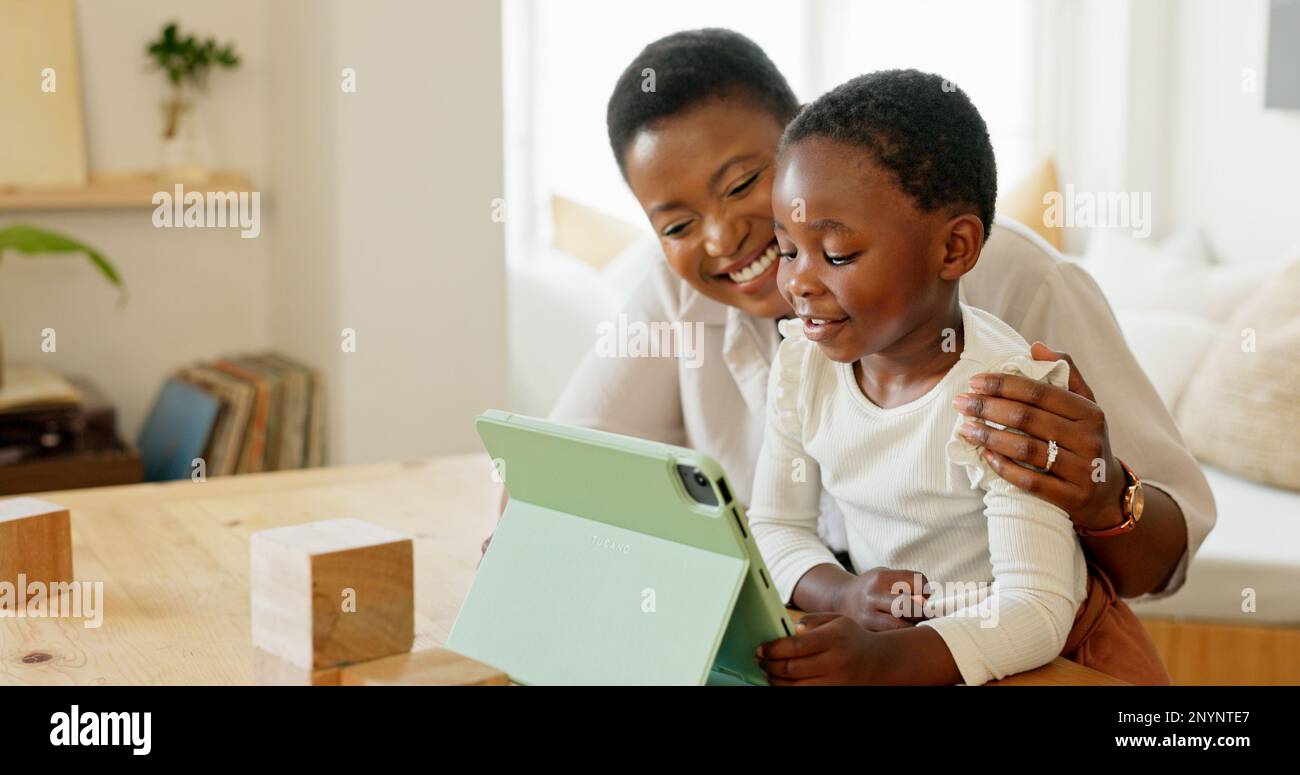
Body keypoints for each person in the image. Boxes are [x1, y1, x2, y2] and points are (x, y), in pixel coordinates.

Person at [530, 29, 1212, 640]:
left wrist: (1103, 491)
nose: (723, 235)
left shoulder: (1018, 281)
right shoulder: (679, 290)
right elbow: (555, 470)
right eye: (676, 225)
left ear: (803, 139)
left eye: (743, 183)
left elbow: (1162, 559)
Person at [746, 69, 1168, 685]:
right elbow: (776, 525)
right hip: (907, 649)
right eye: (787, 248)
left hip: (1052, 656)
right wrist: (843, 595)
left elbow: (1036, 609)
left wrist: (888, 661)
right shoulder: (803, 367)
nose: (798, 283)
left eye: (836, 255)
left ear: (954, 249)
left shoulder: (1007, 395)